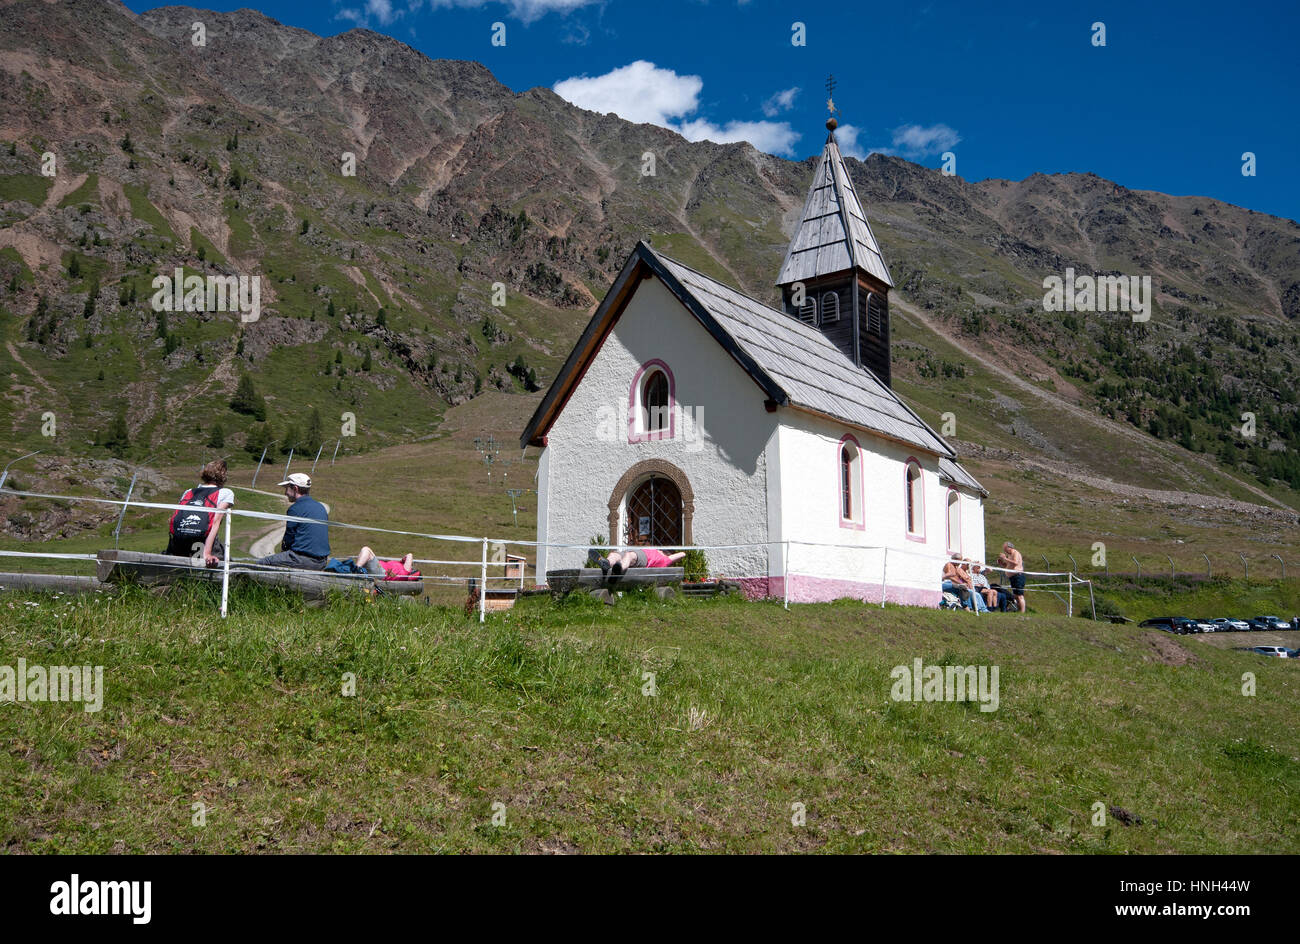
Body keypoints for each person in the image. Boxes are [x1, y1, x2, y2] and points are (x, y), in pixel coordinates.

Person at [165, 459, 234, 566]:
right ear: (223, 475)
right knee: (229, 566)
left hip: (178, 542)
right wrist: (206, 553)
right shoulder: (225, 493)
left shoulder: (188, 492)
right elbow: (215, 522)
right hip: (202, 541)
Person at [256, 472, 330, 571]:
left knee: (261, 563)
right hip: (322, 561)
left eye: (287, 488)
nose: (285, 493)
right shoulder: (320, 507)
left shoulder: (295, 508)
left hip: (302, 559)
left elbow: (289, 538)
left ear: (295, 488)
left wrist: (283, 554)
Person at [602, 547, 686, 575]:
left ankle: (619, 568)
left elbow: (683, 554)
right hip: (637, 552)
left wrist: (670, 555)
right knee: (615, 555)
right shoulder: (657, 551)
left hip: (644, 558)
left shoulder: (665, 560)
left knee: (629, 556)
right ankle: (607, 562)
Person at [996, 541, 1026, 612]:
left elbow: (1015, 563)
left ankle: (1022, 611)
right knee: (1016, 595)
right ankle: (1019, 610)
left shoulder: (1015, 553)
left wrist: (1005, 558)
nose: (1004, 551)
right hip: (1012, 577)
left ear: (1009, 547)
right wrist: (1002, 563)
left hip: (1018, 576)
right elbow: (1008, 566)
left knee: (1020, 595)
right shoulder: (1009, 555)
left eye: (1005, 549)